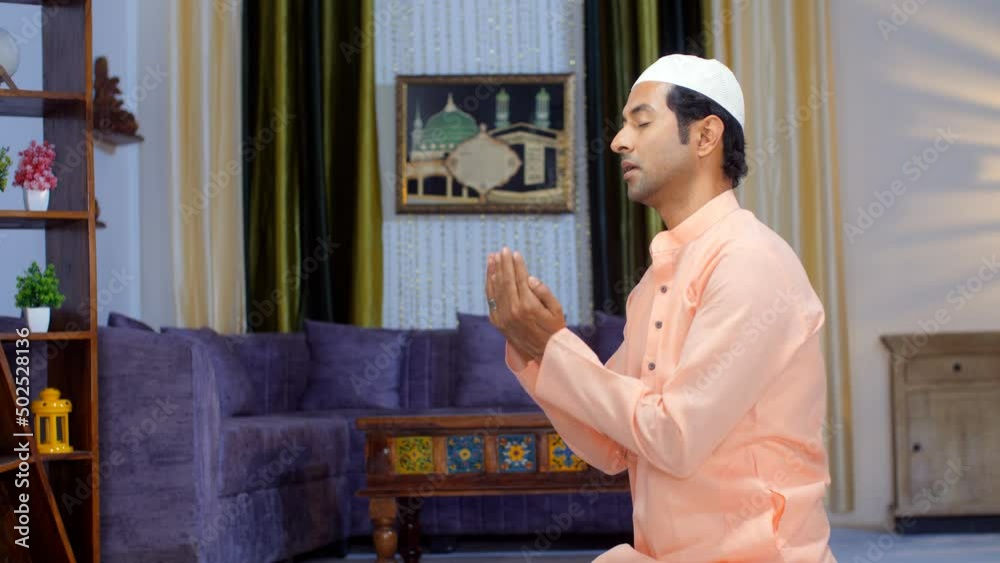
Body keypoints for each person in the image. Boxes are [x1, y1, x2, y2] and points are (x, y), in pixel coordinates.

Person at [484, 54, 836, 562]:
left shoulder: (750, 261)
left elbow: (675, 437)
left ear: (705, 136)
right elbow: (611, 445)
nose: (618, 141)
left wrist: (553, 345)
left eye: (641, 122)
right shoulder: (658, 277)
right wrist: (534, 347)